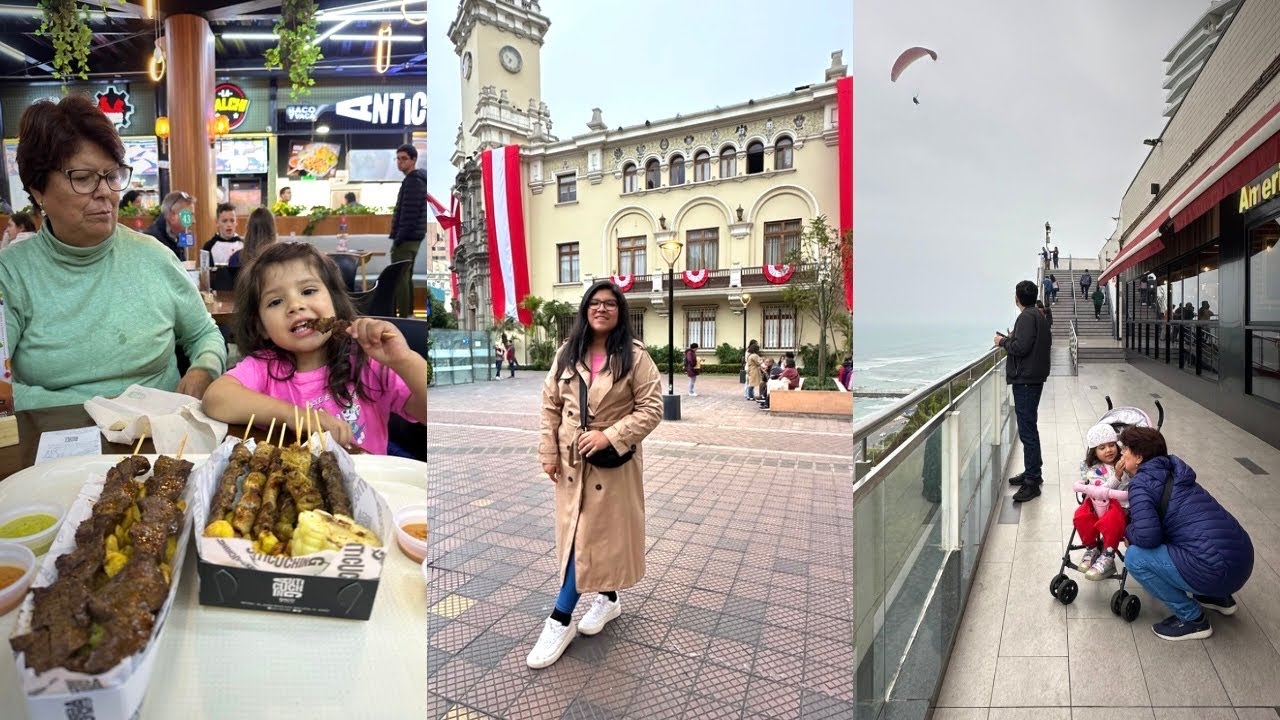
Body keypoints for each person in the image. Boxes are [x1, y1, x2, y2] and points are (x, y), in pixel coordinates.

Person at [0, 94, 225, 410]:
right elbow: (3, 389)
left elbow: (204, 333)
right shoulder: (10, 274)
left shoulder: (154, 257)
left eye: (112, 176)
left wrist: (204, 368)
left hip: (160, 436)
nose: (105, 192)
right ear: (38, 191)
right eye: (82, 178)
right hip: (59, 441)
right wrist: (104, 409)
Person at [530, 279, 662, 669]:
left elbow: (651, 408)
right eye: (595, 303)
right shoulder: (567, 354)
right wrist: (549, 451)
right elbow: (550, 406)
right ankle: (608, 597)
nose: (601, 308)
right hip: (571, 464)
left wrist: (610, 435)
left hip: (612, 465)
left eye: (610, 304)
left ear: (620, 313)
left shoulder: (636, 357)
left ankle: (560, 617)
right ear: (585, 310)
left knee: (589, 537)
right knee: (580, 532)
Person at [201, 242, 426, 454]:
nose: (295, 306)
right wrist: (296, 416)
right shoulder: (264, 366)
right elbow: (215, 398)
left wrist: (403, 359)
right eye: (275, 302)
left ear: (334, 302)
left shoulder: (365, 361)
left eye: (308, 291)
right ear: (262, 327)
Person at [1117, 426, 1253, 640]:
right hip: (1242, 560)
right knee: (1187, 538)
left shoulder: (1142, 484)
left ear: (1140, 457)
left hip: (1216, 572)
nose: (1122, 453)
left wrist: (1128, 530)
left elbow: (1148, 537)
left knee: (1135, 557)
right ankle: (1219, 598)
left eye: (1126, 449)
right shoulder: (1176, 471)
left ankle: (1194, 619)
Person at [996, 280, 1052, 503]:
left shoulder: (1027, 317)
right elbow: (1030, 343)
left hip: (1027, 380)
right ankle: (1032, 473)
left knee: (1027, 430)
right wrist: (1013, 338)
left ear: (1017, 298)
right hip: (1032, 378)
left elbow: (1021, 348)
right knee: (1029, 428)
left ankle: (1032, 481)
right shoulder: (1038, 315)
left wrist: (1002, 342)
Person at [1072, 423, 1127, 580]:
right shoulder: (1094, 469)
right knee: (1081, 514)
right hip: (1098, 503)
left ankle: (1108, 554)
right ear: (1094, 451)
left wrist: (1124, 471)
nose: (1108, 450)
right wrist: (1116, 476)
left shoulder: (1125, 461)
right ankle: (1092, 547)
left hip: (1121, 508)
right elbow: (1101, 489)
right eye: (1102, 447)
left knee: (1112, 519)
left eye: (1111, 445)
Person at [390, 143, 428, 318]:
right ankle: (409, 315)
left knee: (399, 278)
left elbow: (409, 214)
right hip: (413, 237)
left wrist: (399, 238)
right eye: (398, 159)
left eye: (404, 158)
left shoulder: (413, 181)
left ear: (413, 159)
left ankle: (404, 317)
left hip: (407, 238)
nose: (400, 162)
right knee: (405, 277)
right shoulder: (416, 180)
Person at [145, 190, 195, 260]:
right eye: (189, 215)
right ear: (173, 216)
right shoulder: (153, 243)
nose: (193, 221)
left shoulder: (176, 236)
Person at [202, 202, 244, 266]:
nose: (229, 225)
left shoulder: (243, 245)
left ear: (236, 222)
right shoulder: (208, 246)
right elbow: (204, 270)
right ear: (217, 222)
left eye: (232, 220)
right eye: (224, 221)